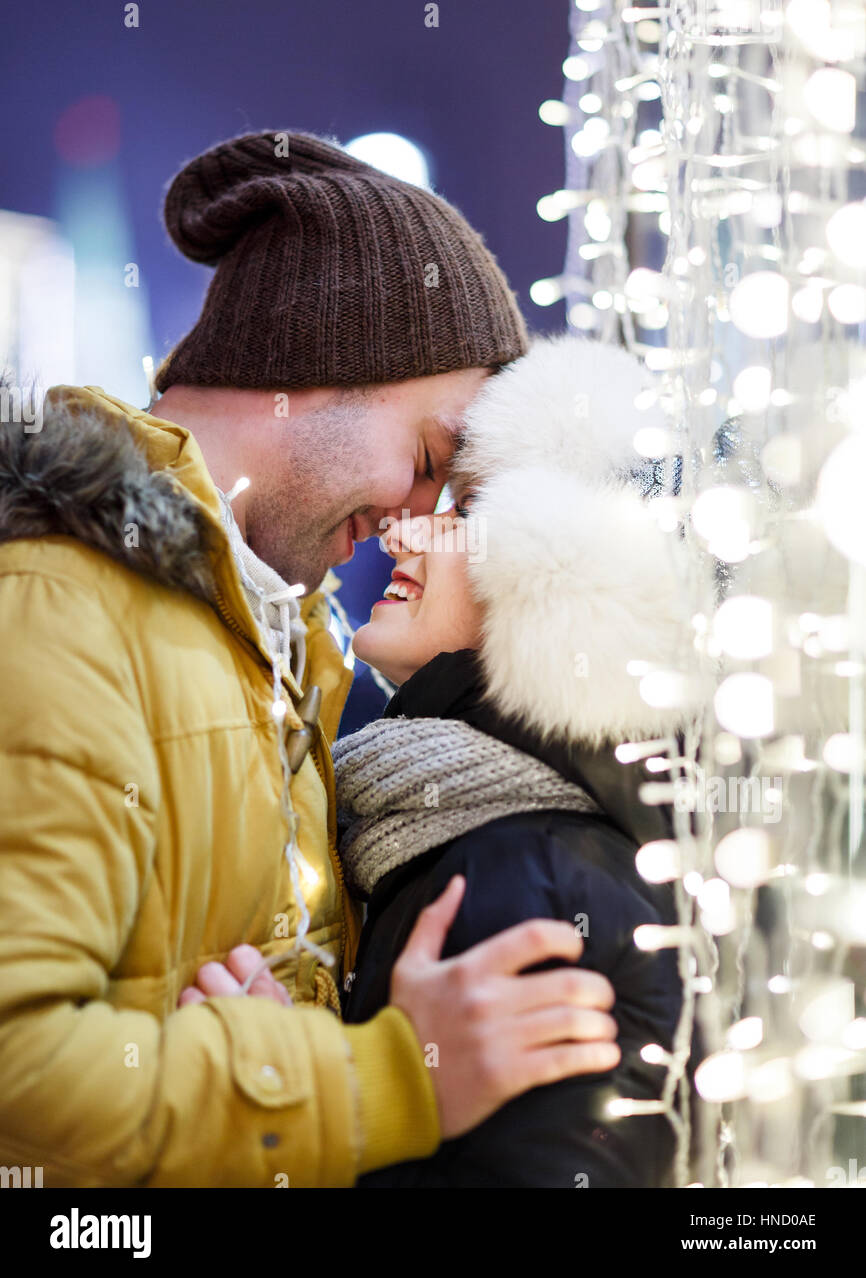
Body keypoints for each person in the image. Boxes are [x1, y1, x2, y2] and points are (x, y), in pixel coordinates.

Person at [0, 131, 620, 1188]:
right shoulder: (57, 608)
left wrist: (275, 1038)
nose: (410, 524)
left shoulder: (285, 647)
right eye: (427, 461)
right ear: (317, 360)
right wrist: (374, 1078)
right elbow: (19, 1062)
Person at [335, 332, 693, 1187]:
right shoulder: (500, 832)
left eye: (462, 513)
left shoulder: (518, 871)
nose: (400, 537)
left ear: (557, 578)